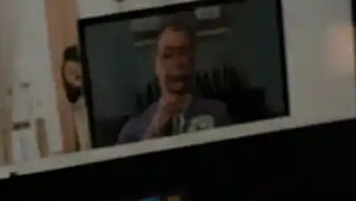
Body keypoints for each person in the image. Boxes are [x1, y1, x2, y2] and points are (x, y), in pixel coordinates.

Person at [117, 13, 231, 144]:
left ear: (193, 62)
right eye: (168, 55)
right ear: (156, 65)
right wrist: (154, 132)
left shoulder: (217, 115)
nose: (177, 63)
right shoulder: (132, 131)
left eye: (183, 53)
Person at [60, 46, 92, 151]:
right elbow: (76, 82)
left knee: (83, 134)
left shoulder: (66, 67)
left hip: (77, 102)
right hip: (80, 101)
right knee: (85, 135)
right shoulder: (71, 65)